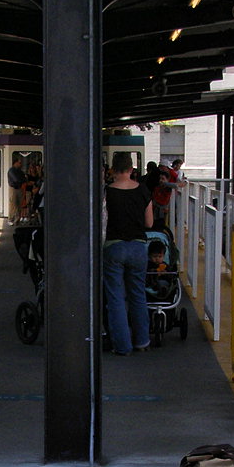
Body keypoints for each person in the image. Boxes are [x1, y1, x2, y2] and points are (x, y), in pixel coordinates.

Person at [103, 151, 153, 355]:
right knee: (138, 296)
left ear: (113, 170)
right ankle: (142, 341)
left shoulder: (107, 192)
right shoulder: (143, 190)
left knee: (115, 298)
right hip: (138, 248)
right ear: (132, 169)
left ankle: (122, 346)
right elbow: (149, 223)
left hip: (114, 248)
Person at [7, 154, 26, 224]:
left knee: (19, 205)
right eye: (19, 163)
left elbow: (24, 178)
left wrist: (22, 180)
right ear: (15, 163)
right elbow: (15, 179)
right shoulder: (11, 171)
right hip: (13, 188)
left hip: (19, 188)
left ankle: (17, 219)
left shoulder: (20, 171)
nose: (20, 164)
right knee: (13, 204)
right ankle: (11, 219)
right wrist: (21, 180)